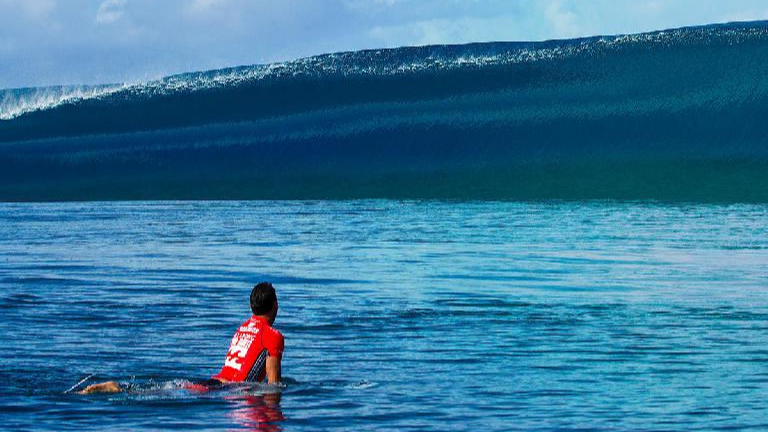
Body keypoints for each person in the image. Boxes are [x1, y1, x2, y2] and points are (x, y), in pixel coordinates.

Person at [78, 282, 284, 394]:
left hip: (213, 382)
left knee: (163, 389)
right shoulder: (273, 336)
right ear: (275, 305)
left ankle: (122, 387)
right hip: (226, 390)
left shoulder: (243, 328)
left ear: (251, 306)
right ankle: (119, 388)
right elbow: (273, 386)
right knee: (157, 394)